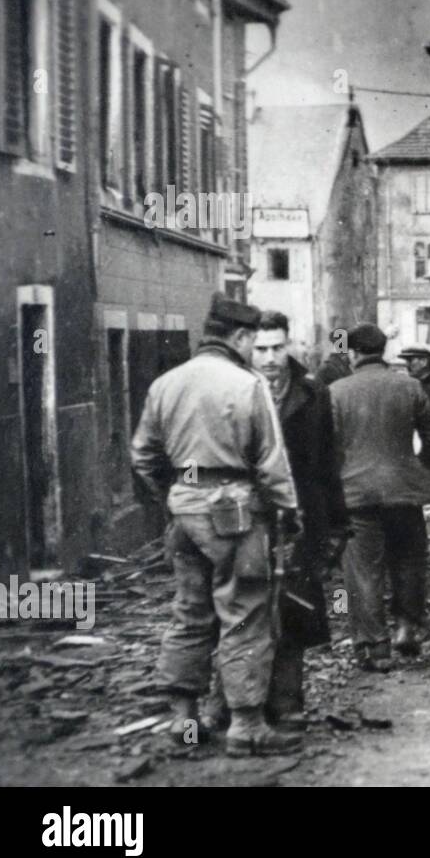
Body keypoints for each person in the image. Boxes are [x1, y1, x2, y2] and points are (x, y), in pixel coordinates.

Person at [130, 292, 301, 757]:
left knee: (189, 613)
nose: (256, 354)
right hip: (236, 515)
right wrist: (289, 510)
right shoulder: (248, 386)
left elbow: (142, 456)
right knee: (245, 614)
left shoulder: (165, 383)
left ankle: (184, 725)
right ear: (241, 337)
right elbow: (271, 462)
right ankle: (245, 727)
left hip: (184, 513)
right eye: (252, 343)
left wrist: (174, 498)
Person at [329, 323, 430, 671]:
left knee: (363, 572)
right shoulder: (410, 386)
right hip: (404, 492)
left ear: (352, 353)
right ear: (382, 351)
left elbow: (328, 448)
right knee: (409, 562)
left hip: (356, 495)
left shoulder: (336, 391)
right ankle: (407, 627)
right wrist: (419, 469)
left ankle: (374, 646)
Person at [250, 311, 347, 722]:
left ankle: (287, 702)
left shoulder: (312, 392)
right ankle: (242, 704)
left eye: (277, 347)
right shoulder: (237, 389)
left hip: (300, 517)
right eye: (261, 349)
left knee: (294, 606)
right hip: (250, 518)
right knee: (245, 611)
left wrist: (336, 525)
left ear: (289, 344)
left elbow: (327, 463)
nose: (270, 357)